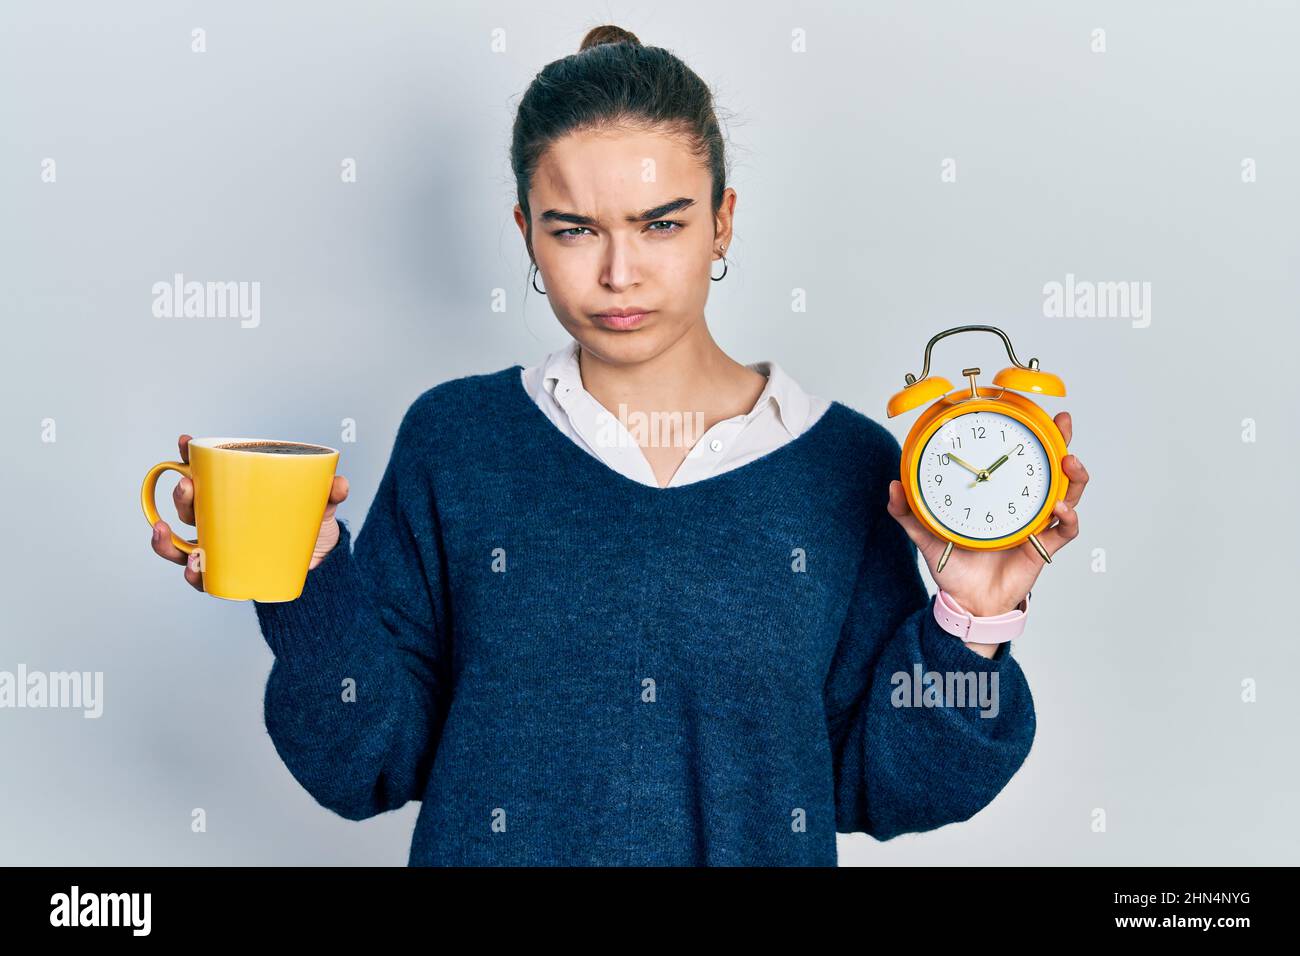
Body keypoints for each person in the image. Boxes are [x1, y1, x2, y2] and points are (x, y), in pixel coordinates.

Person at [149, 25, 1089, 866]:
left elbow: (896, 784)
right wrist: (304, 581)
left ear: (722, 220)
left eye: (661, 223)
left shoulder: (842, 463)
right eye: (574, 230)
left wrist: (970, 627)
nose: (618, 272)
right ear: (526, 234)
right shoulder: (458, 442)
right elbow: (365, 765)